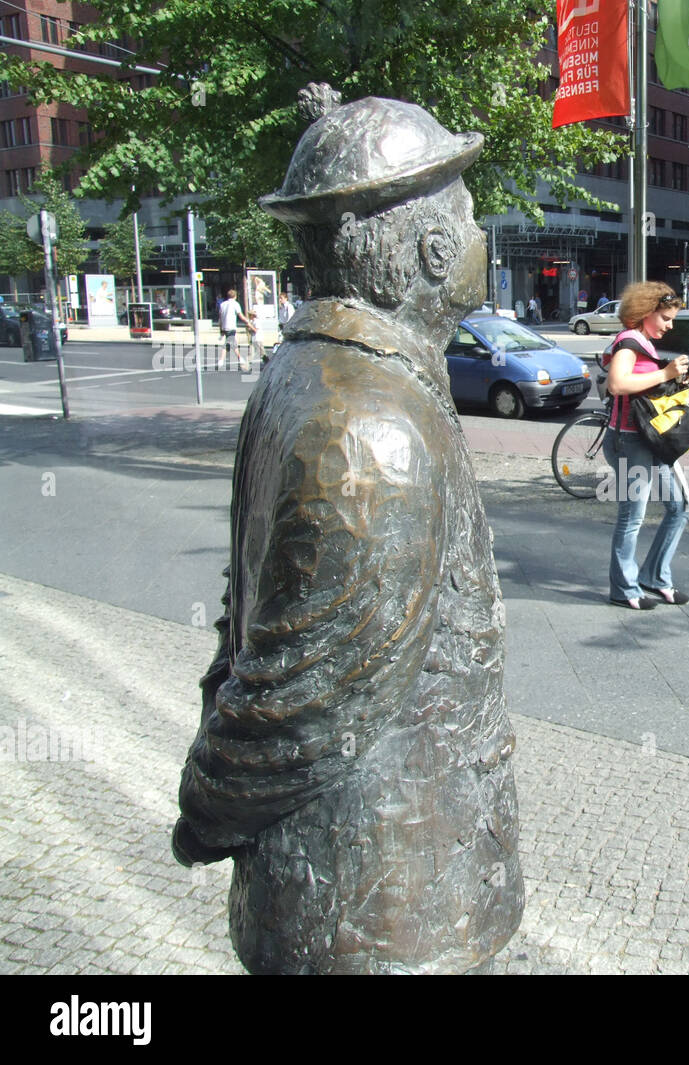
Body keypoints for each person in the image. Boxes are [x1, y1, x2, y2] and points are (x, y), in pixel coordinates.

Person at [172, 86, 523, 973]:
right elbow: (307, 701)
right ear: (433, 248)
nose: (484, 234)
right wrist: (202, 812)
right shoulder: (372, 430)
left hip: (365, 894)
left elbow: (248, 607)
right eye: (471, 215)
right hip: (383, 913)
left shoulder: (312, 372)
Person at [602, 280, 689, 610]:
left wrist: (672, 381)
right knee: (632, 517)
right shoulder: (628, 342)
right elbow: (617, 384)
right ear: (647, 312)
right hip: (629, 441)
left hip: (650, 439)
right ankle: (624, 588)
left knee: (680, 505)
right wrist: (665, 373)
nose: (669, 326)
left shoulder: (642, 342)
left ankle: (654, 576)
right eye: (666, 318)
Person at [217, 288, 250, 370]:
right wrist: (247, 321)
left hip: (224, 327)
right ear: (235, 296)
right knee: (230, 343)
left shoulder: (222, 304)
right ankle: (239, 359)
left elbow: (220, 318)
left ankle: (224, 360)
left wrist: (220, 329)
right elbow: (240, 315)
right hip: (231, 326)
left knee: (230, 343)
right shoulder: (236, 304)